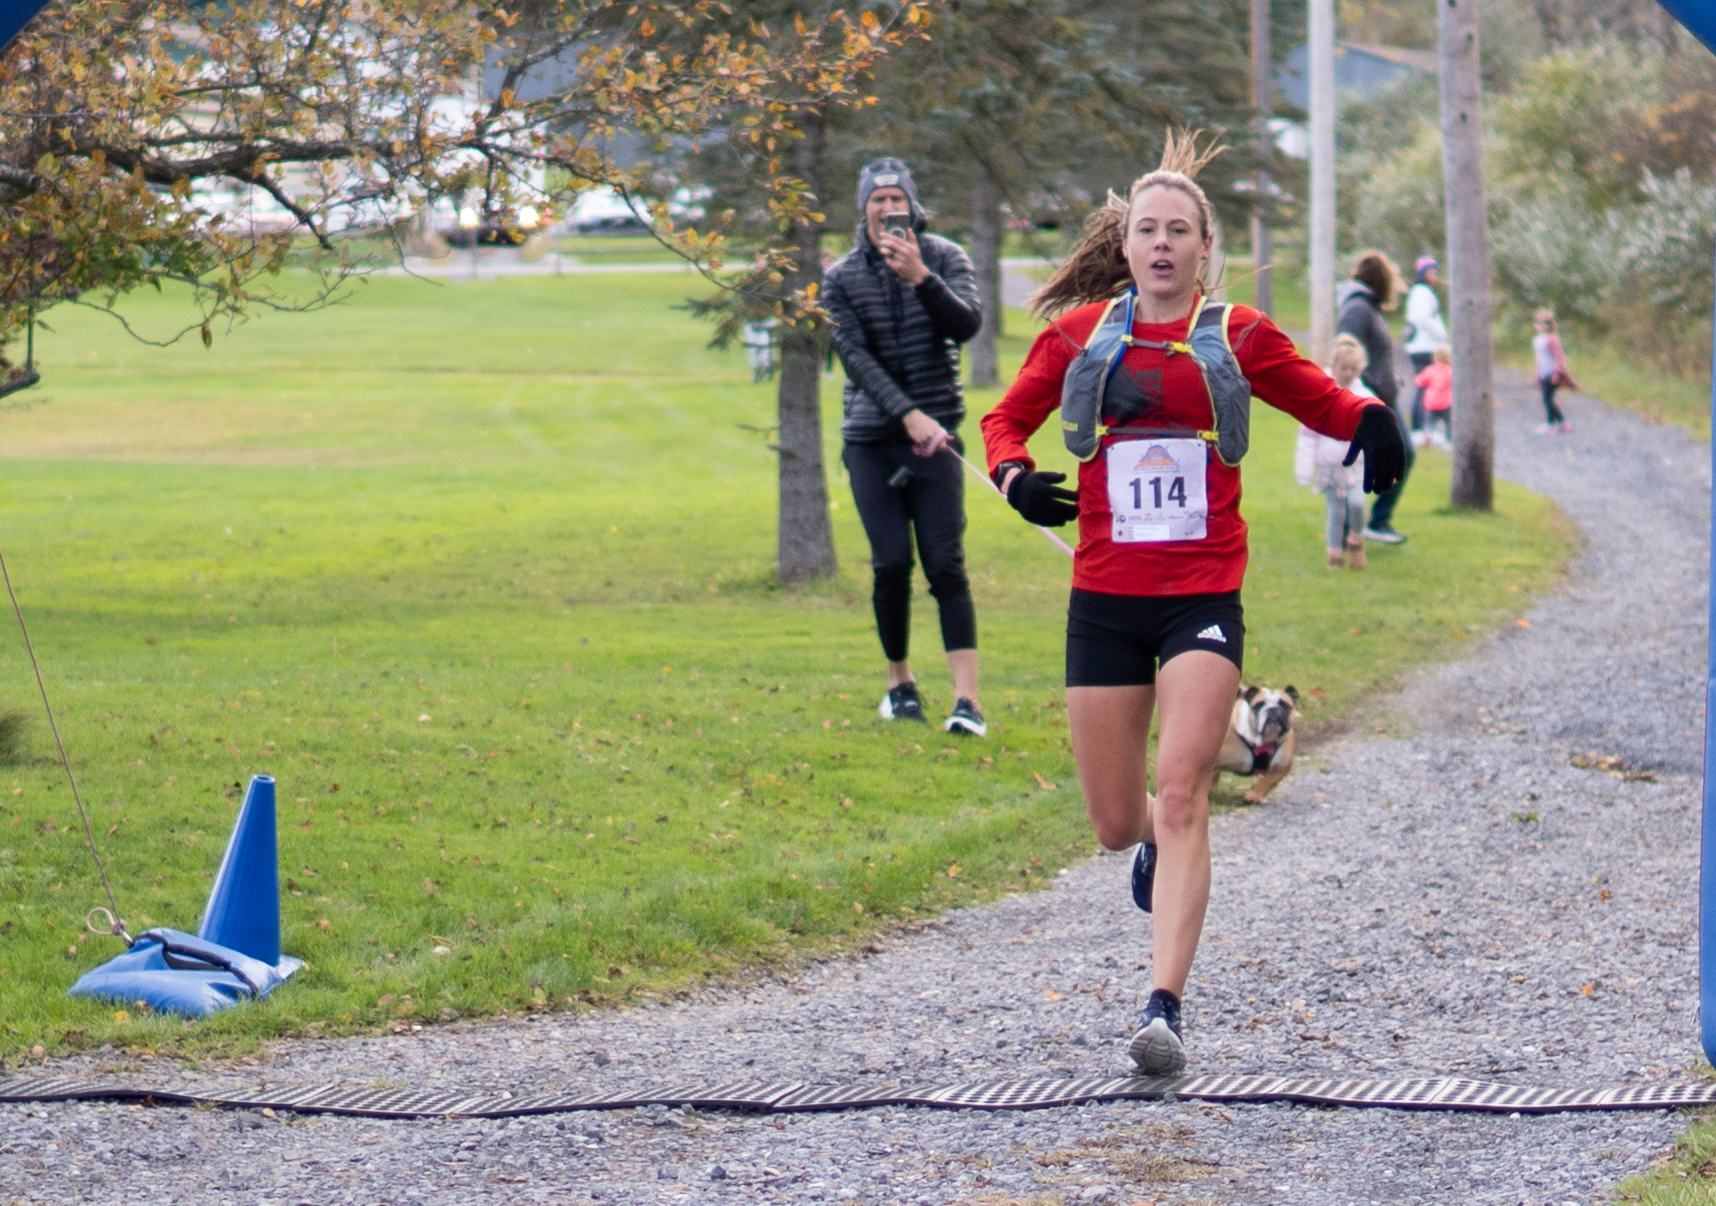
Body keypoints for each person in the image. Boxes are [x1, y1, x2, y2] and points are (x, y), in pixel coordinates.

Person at [980, 130, 1405, 1075]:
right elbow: (1004, 420)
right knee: (1115, 821)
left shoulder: (1239, 335)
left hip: (1202, 594)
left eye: (1180, 230)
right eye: (1147, 231)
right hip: (1103, 599)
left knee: (1180, 794)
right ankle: (1161, 846)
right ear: (1125, 245)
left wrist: (1377, 423)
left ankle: (1162, 1007)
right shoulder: (1079, 338)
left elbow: (1326, 403)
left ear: (1204, 247)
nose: (1163, 244)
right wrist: (1012, 474)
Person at [823, 157, 988, 736]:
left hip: (937, 443)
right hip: (872, 440)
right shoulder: (841, 278)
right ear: (863, 209)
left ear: (913, 207)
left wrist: (921, 276)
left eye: (898, 199)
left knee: (946, 564)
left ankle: (967, 701)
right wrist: (906, 414)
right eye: (878, 200)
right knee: (892, 562)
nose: (888, 209)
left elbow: (967, 326)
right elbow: (857, 360)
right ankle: (900, 684)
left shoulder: (945, 258)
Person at [1336, 251, 1411, 545]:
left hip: (1384, 398)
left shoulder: (1368, 307)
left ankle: (1371, 523)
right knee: (1388, 457)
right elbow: (1346, 352)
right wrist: (1368, 388)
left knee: (1394, 457)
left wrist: (1391, 380)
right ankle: (1357, 528)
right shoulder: (1358, 308)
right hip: (1372, 402)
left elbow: (1374, 356)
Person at [1296, 335, 1374, 570]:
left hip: (1357, 465)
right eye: (1344, 368)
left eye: (1353, 368)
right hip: (1330, 466)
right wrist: (1304, 471)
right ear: (1333, 366)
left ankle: (1356, 539)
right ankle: (1335, 554)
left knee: (1357, 503)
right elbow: (1308, 437)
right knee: (1336, 512)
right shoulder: (1322, 395)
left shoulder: (1365, 397)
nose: (1349, 373)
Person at [1403, 256, 1448, 441]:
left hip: (1423, 345)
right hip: (1425, 346)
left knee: (1426, 386)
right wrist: (1441, 334)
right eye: (1430, 273)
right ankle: (1419, 427)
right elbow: (1422, 318)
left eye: (1435, 273)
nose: (1434, 276)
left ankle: (1423, 427)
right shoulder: (1421, 292)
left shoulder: (1422, 292)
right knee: (1425, 387)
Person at [1532, 308, 1577, 435]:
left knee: (1547, 399)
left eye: (1545, 322)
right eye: (1539, 322)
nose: (1542, 325)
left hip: (1552, 374)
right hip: (1543, 373)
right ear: (1535, 324)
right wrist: (1537, 374)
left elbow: (1559, 357)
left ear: (1550, 324)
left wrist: (1557, 373)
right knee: (1548, 399)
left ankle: (1551, 425)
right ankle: (1563, 423)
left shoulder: (1552, 339)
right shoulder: (1537, 340)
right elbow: (1539, 359)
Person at [1414, 344, 1454, 447]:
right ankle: (1449, 440)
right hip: (1446, 402)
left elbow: (1419, 381)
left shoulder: (1430, 370)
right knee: (1449, 422)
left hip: (1431, 402)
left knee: (1429, 422)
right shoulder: (1450, 372)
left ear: (1435, 357)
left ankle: (1427, 436)